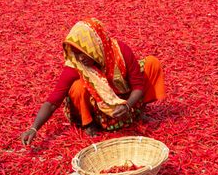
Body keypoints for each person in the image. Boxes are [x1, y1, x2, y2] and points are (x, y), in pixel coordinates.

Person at [21, 18, 165, 145]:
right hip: (99, 107)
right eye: (76, 55)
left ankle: (138, 112)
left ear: (94, 46)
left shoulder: (120, 51)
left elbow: (138, 86)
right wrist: (34, 128)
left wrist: (128, 106)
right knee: (77, 87)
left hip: (125, 102)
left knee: (151, 63)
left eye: (83, 53)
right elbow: (53, 102)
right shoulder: (75, 65)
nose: (80, 59)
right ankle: (89, 123)